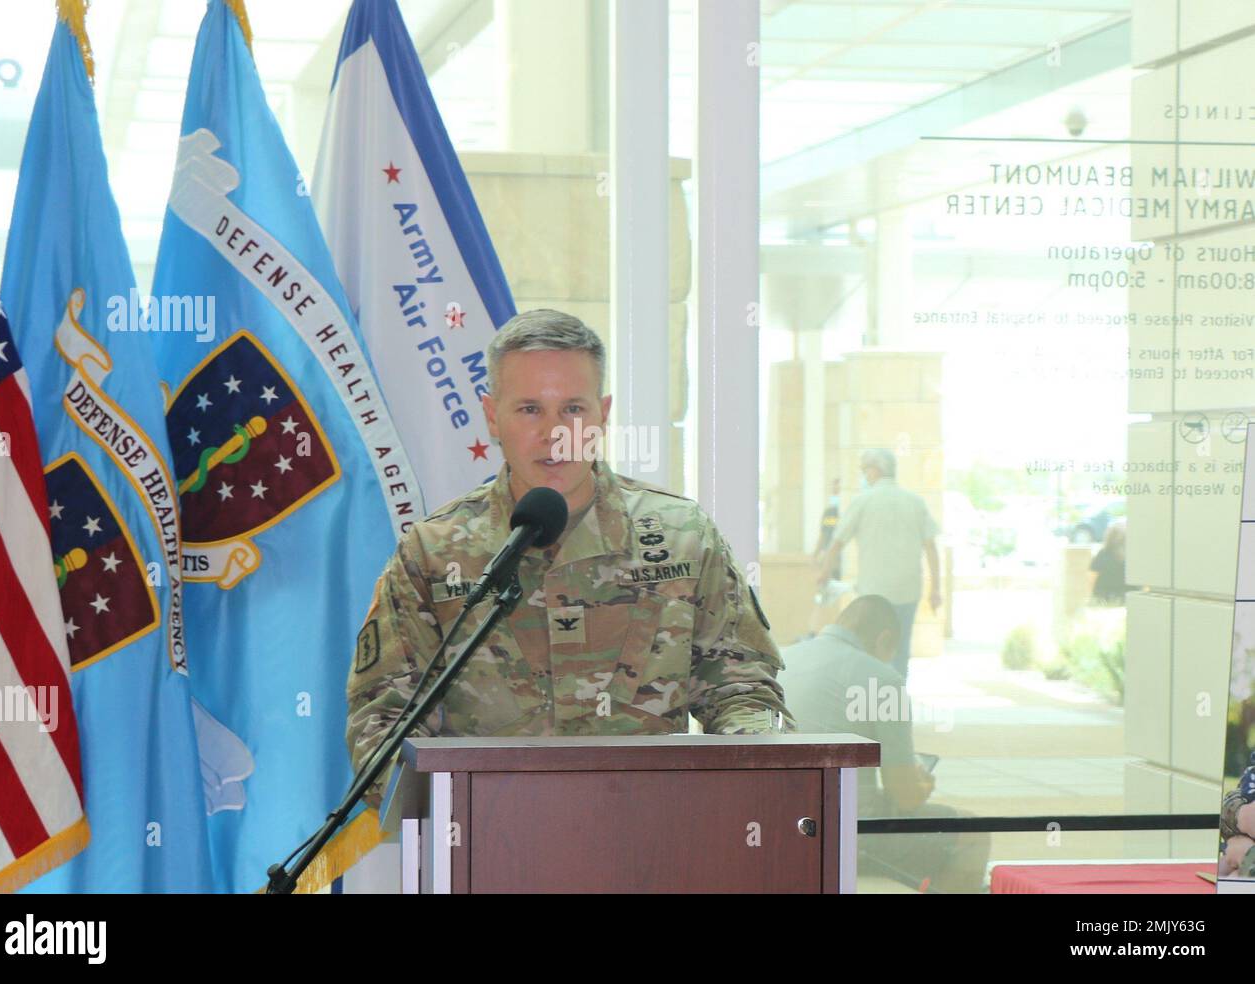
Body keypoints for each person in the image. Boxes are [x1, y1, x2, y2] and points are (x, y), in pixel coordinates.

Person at [347, 309, 794, 805]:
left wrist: (750, 783)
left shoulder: (682, 538)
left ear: (603, 413)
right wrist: (459, 814)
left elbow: (743, 692)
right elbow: (383, 719)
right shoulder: (434, 552)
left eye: (574, 409)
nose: (555, 432)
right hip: (488, 848)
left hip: (650, 839)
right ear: (492, 416)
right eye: (530, 409)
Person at [778, 595, 990, 893]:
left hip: (781, 829)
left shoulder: (781, 661)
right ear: (885, 639)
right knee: (972, 834)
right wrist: (922, 784)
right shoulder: (882, 679)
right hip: (849, 836)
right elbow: (904, 796)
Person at [815, 448, 940, 678]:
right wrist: (936, 589)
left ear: (875, 470)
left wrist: (824, 571)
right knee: (900, 651)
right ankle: (897, 701)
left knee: (869, 650)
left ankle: (871, 706)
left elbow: (837, 542)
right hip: (907, 590)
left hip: (874, 592)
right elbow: (931, 547)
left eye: (865, 470)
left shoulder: (862, 501)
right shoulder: (915, 502)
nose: (864, 475)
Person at [1089, 520, 1126, 605]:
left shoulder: (1102, 554)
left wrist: (1090, 596)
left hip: (1103, 599)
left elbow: (1091, 577)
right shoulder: (1132, 557)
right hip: (1126, 600)